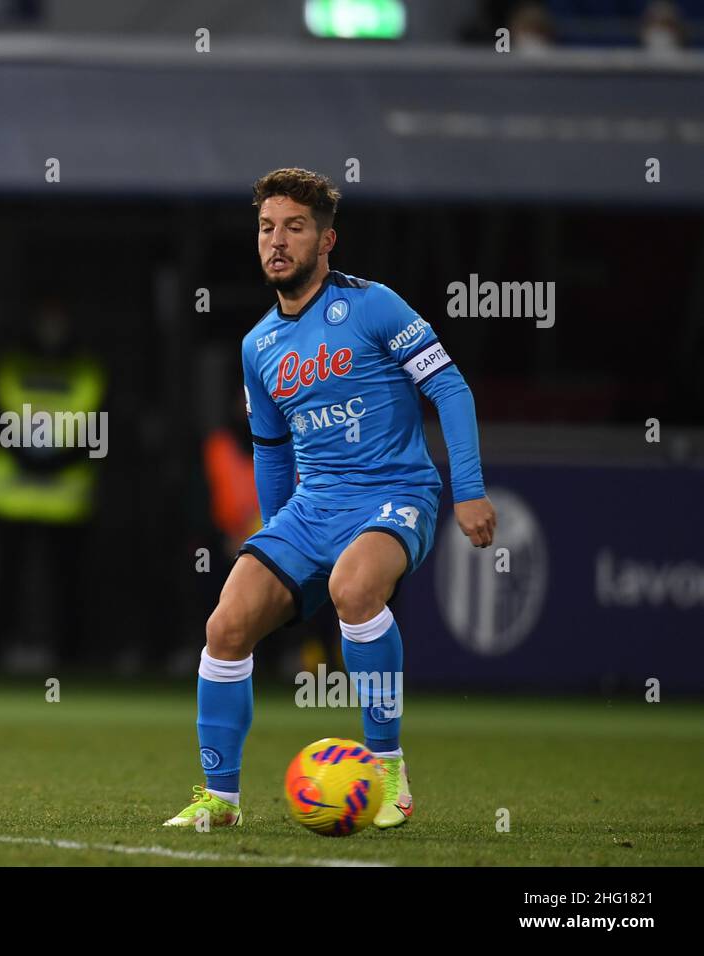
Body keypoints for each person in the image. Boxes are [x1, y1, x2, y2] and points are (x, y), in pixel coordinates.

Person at [164, 168, 495, 829]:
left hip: (395, 491)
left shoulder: (374, 305)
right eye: (266, 228)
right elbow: (271, 449)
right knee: (226, 626)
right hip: (312, 509)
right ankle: (221, 799)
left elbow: (450, 389)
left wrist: (471, 492)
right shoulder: (258, 344)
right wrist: (271, 531)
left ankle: (387, 771)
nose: (277, 242)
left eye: (294, 228)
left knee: (353, 589)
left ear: (327, 240)